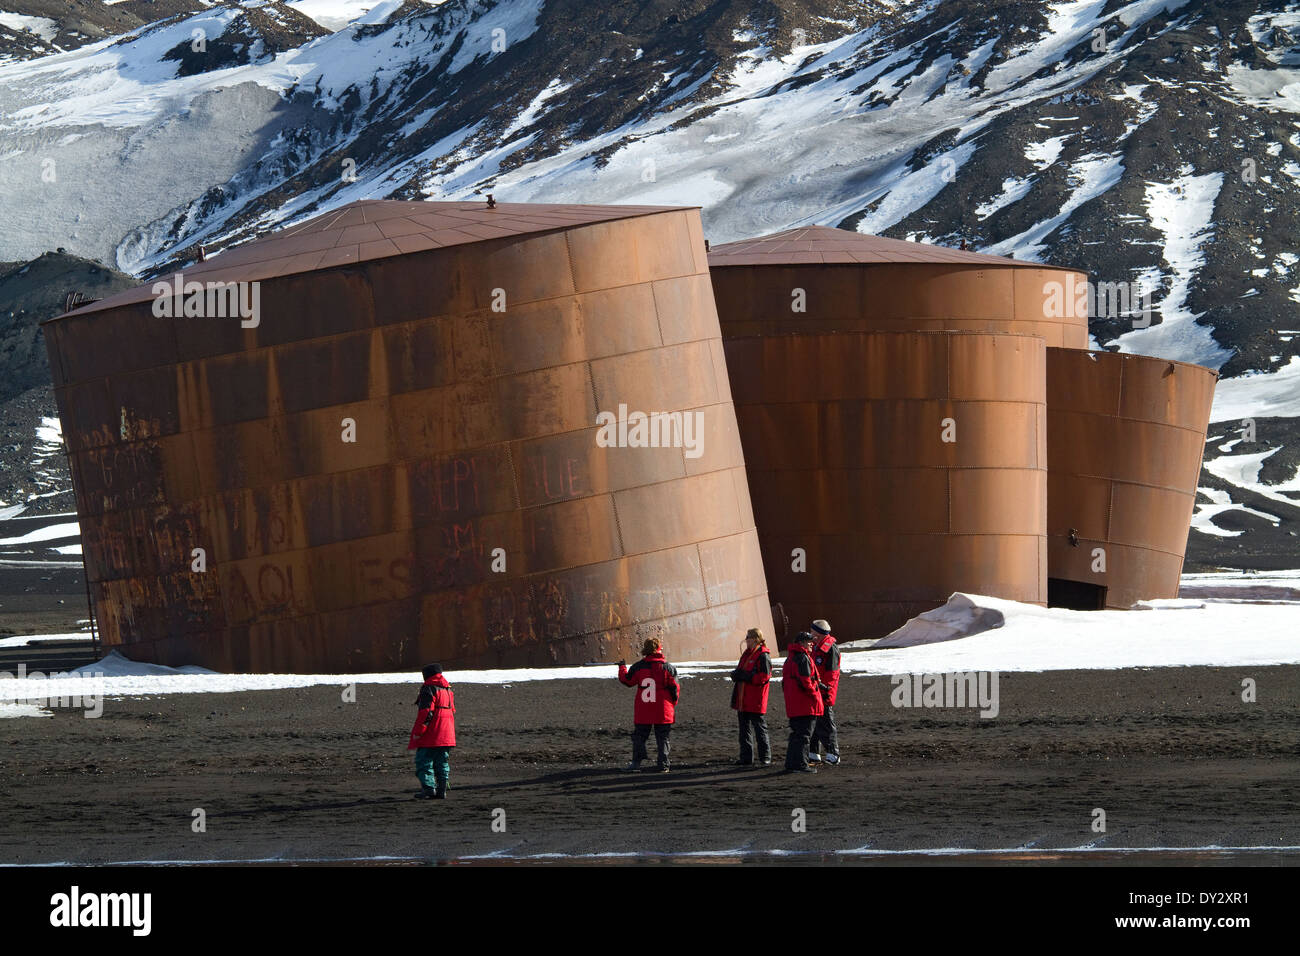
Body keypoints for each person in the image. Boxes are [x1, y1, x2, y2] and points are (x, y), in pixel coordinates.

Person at [617, 637, 680, 772]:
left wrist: (622, 667)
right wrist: (672, 704)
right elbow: (675, 688)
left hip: (644, 708)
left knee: (639, 736)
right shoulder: (668, 667)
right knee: (663, 738)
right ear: (658, 648)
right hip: (662, 709)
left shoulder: (638, 667)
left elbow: (627, 681)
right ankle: (663, 765)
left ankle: (636, 763)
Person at [408, 663, 456, 799]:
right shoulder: (448, 689)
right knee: (442, 761)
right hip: (447, 731)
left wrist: (419, 731)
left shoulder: (428, 689)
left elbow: (426, 713)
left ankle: (429, 788)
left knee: (424, 759)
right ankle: (442, 789)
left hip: (433, 731)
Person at [782, 631, 824, 773]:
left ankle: (791, 763)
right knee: (804, 736)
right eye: (808, 641)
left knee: (796, 735)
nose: (811, 643)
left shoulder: (791, 658)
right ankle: (800, 764)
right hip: (805, 704)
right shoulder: (802, 658)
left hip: (794, 703)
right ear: (801, 643)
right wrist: (814, 693)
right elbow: (805, 681)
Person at [730, 627, 772, 765]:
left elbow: (764, 677)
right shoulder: (747, 654)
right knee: (744, 729)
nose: (746, 640)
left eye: (748, 637)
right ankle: (746, 757)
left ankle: (765, 757)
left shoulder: (762, 655)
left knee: (759, 728)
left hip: (755, 698)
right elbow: (743, 670)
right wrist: (737, 674)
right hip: (743, 698)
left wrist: (746, 676)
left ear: (754, 639)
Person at [808, 619, 841, 765]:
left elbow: (832, 672)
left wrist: (826, 688)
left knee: (826, 723)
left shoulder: (830, 648)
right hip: (817, 689)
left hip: (824, 692)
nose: (810, 634)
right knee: (814, 722)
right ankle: (814, 752)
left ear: (818, 633)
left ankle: (833, 753)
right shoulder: (817, 646)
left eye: (812, 631)